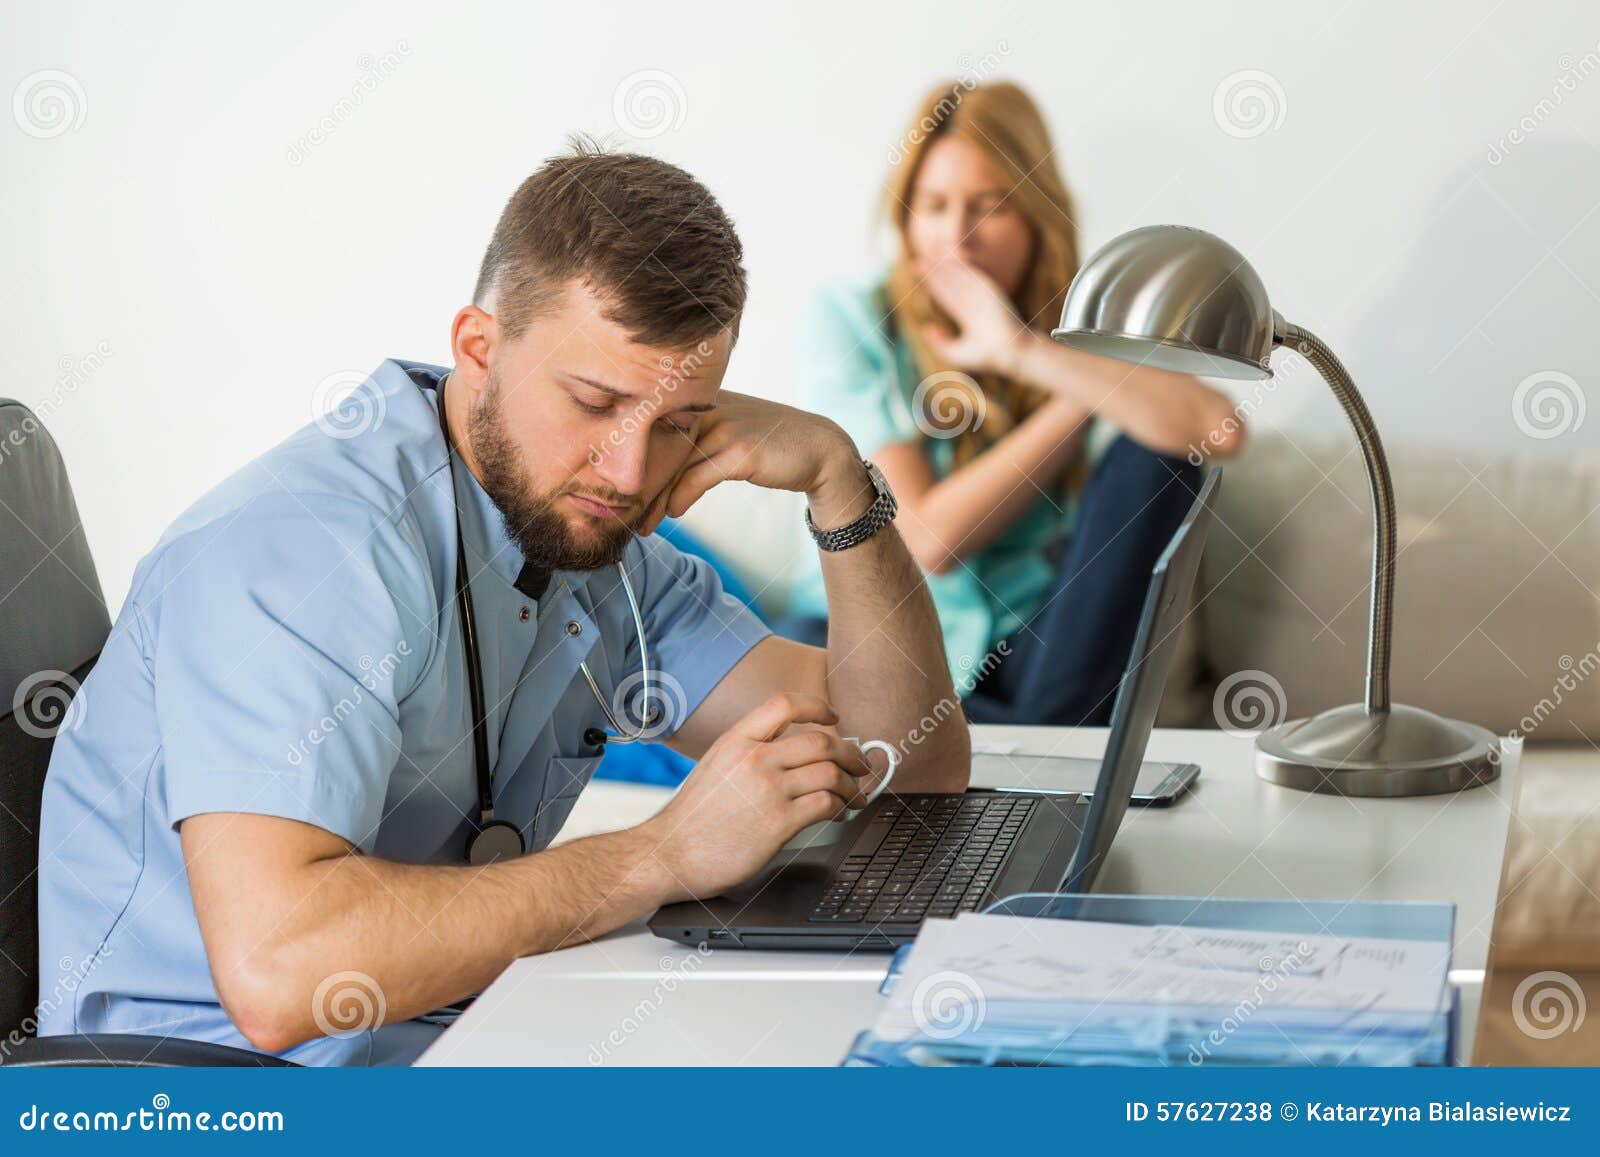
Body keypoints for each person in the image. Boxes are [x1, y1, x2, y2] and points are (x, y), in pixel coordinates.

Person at [36, 143, 968, 1066]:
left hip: (441, 1029)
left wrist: (841, 483)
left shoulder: (594, 542)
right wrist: (661, 853)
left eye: (678, 422)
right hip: (197, 1086)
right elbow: (285, 975)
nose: (631, 471)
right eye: (595, 403)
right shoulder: (308, 550)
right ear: (479, 350)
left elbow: (908, 753)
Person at [782, 81, 1245, 725]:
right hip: (880, 653)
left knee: (1156, 458)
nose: (957, 236)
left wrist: (1026, 354)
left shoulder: (1069, 338)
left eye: (989, 205)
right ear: (905, 218)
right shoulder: (850, 318)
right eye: (934, 205)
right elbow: (925, 539)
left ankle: (1032, 760)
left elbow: (1218, 430)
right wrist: (1077, 403)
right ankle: (1039, 764)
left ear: (1035, 215)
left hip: (1028, 663)